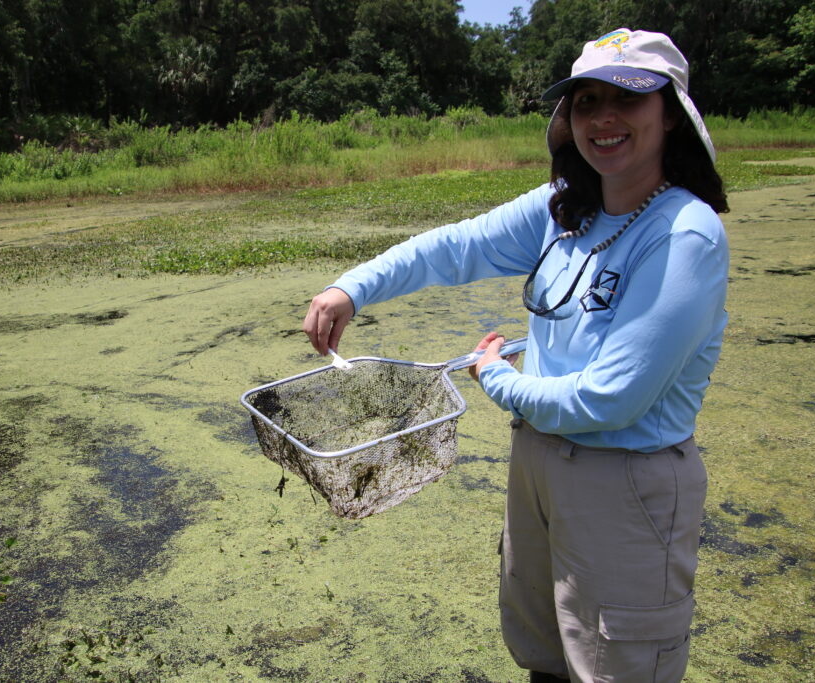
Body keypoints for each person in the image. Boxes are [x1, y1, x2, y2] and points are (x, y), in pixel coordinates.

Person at [302, 28, 728, 683]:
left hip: (627, 480)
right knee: (543, 650)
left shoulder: (685, 234)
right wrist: (352, 287)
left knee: (618, 665)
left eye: (627, 99)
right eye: (586, 102)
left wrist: (496, 377)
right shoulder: (566, 210)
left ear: (668, 111)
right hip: (538, 464)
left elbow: (610, 398)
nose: (603, 118)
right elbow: (455, 247)